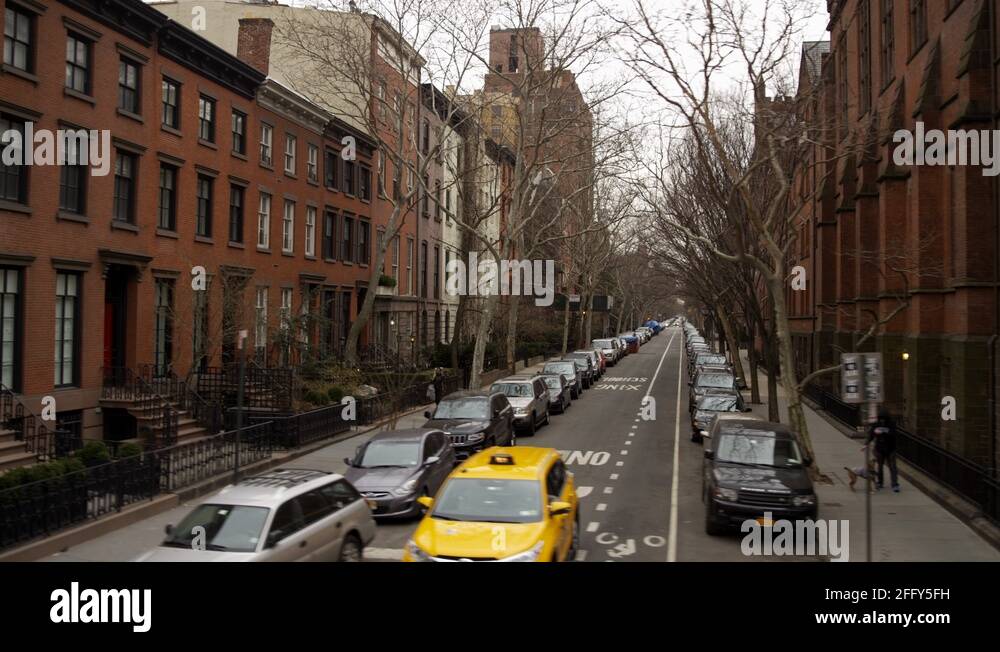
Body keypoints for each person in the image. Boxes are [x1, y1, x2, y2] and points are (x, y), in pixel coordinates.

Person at [867, 409, 900, 492]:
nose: (882, 420)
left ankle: (895, 483)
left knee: (892, 467)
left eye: (884, 418)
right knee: (880, 466)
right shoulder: (876, 424)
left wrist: (884, 431)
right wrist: (867, 442)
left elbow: (894, 434)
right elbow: (872, 434)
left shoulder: (891, 424)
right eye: (881, 418)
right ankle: (880, 482)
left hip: (890, 448)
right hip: (879, 448)